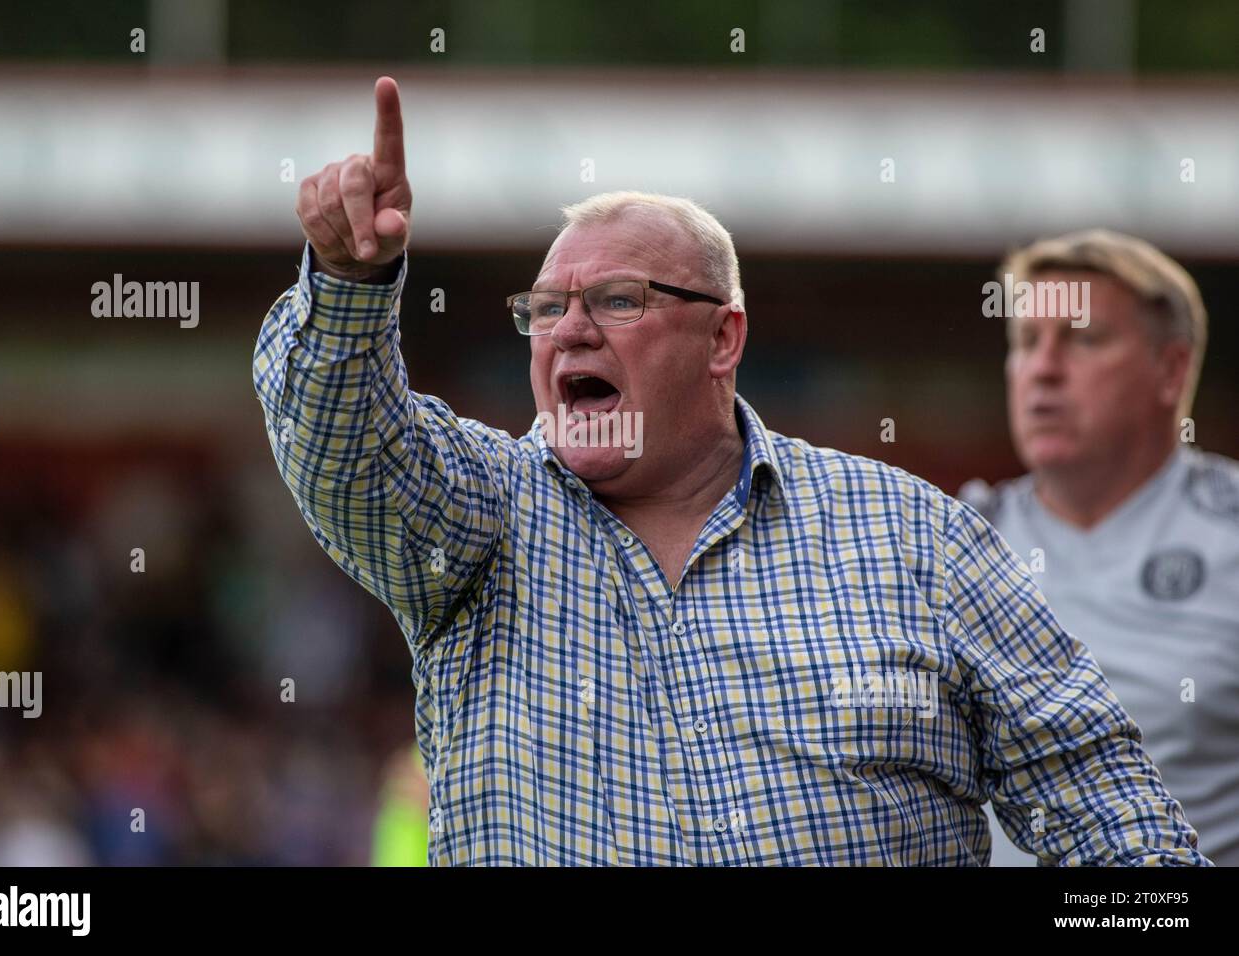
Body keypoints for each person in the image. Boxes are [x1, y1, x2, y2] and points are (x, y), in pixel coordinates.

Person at [252, 77, 1208, 865]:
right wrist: (347, 284)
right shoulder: (480, 515)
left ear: (723, 338)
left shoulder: (918, 538)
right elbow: (343, 450)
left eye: (617, 300)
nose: (570, 330)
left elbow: (1108, 811)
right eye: (544, 310)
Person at [961, 229, 1239, 866]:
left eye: (1083, 340)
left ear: (1171, 370)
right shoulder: (954, 541)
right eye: (1027, 342)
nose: (1044, 368)